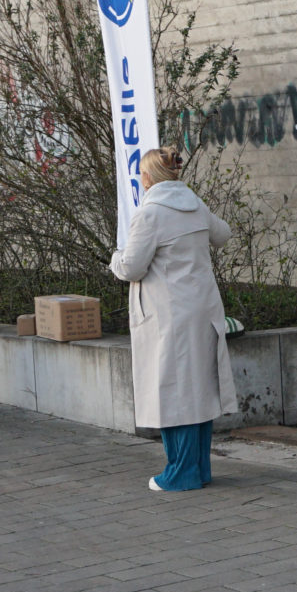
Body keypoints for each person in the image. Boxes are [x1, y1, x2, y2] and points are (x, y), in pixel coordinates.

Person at [109, 147, 236, 491]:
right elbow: (222, 235)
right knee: (199, 390)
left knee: (172, 394)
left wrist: (115, 257)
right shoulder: (194, 204)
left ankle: (180, 474)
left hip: (168, 315)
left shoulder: (150, 213)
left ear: (148, 178)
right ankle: (199, 468)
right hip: (202, 308)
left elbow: (132, 267)